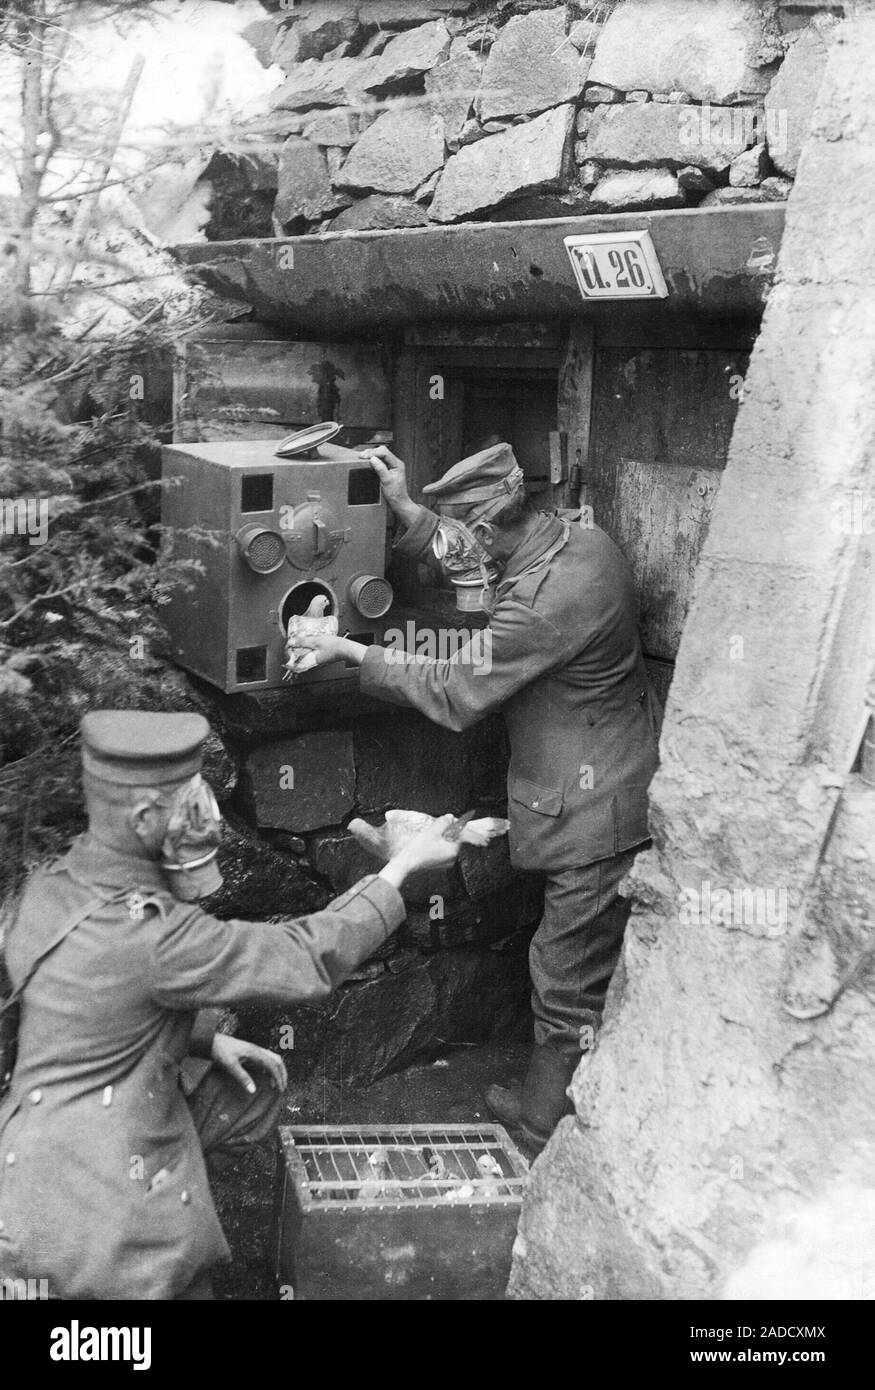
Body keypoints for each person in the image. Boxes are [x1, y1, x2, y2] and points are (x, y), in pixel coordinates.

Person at [0, 710, 459, 1300]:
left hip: (26, 1155)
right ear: (142, 818)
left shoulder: (48, 886)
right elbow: (303, 957)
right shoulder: (154, 935)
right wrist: (403, 865)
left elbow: (89, 1003)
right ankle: (151, 1252)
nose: (202, 812)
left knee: (243, 1091)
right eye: (184, 800)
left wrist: (206, 1038)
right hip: (97, 1196)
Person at [296, 442, 661, 1153]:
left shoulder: (544, 603)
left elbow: (458, 691)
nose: (469, 557)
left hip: (596, 807)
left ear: (492, 530)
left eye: (470, 541)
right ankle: (564, 1097)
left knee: (563, 976)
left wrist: (349, 651)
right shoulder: (581, 543)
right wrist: (413, 513)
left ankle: (538, 1131)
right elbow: (485, 563)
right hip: (611, 771)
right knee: (572, 959)